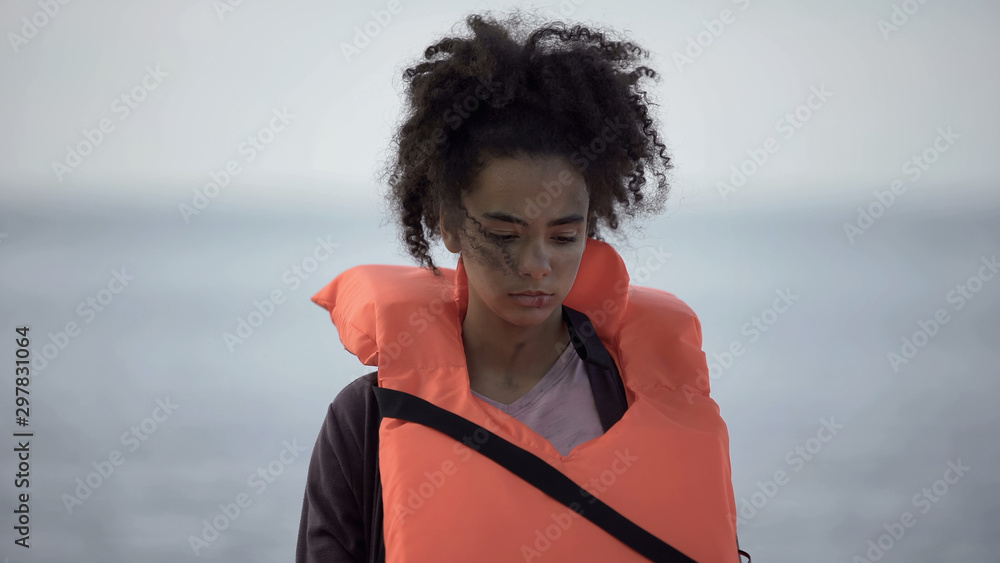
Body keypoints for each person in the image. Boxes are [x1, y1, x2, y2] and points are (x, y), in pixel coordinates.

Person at [296, 9, 750, 562]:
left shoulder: (645, 401)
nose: (536, 265)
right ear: (449, 225)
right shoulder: (368, 420)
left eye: (564, 236)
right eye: (505, 234)